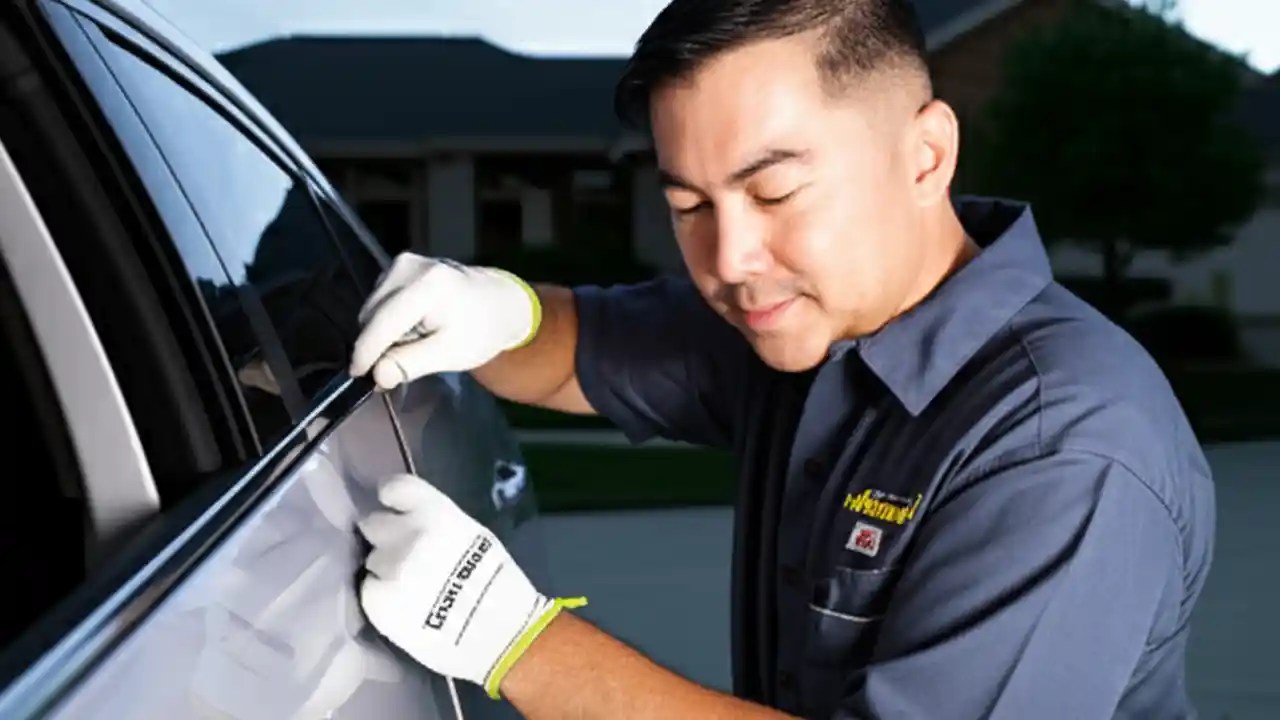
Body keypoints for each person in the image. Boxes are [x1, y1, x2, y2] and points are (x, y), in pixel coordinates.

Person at [346, 0, 1217, 717]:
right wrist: (495, 310)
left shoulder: (1060, 447)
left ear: (926, 156)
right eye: (690, 205)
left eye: (775, 192)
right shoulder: (801, 326)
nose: (728, 259)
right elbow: (581, 353)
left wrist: (516, 641)